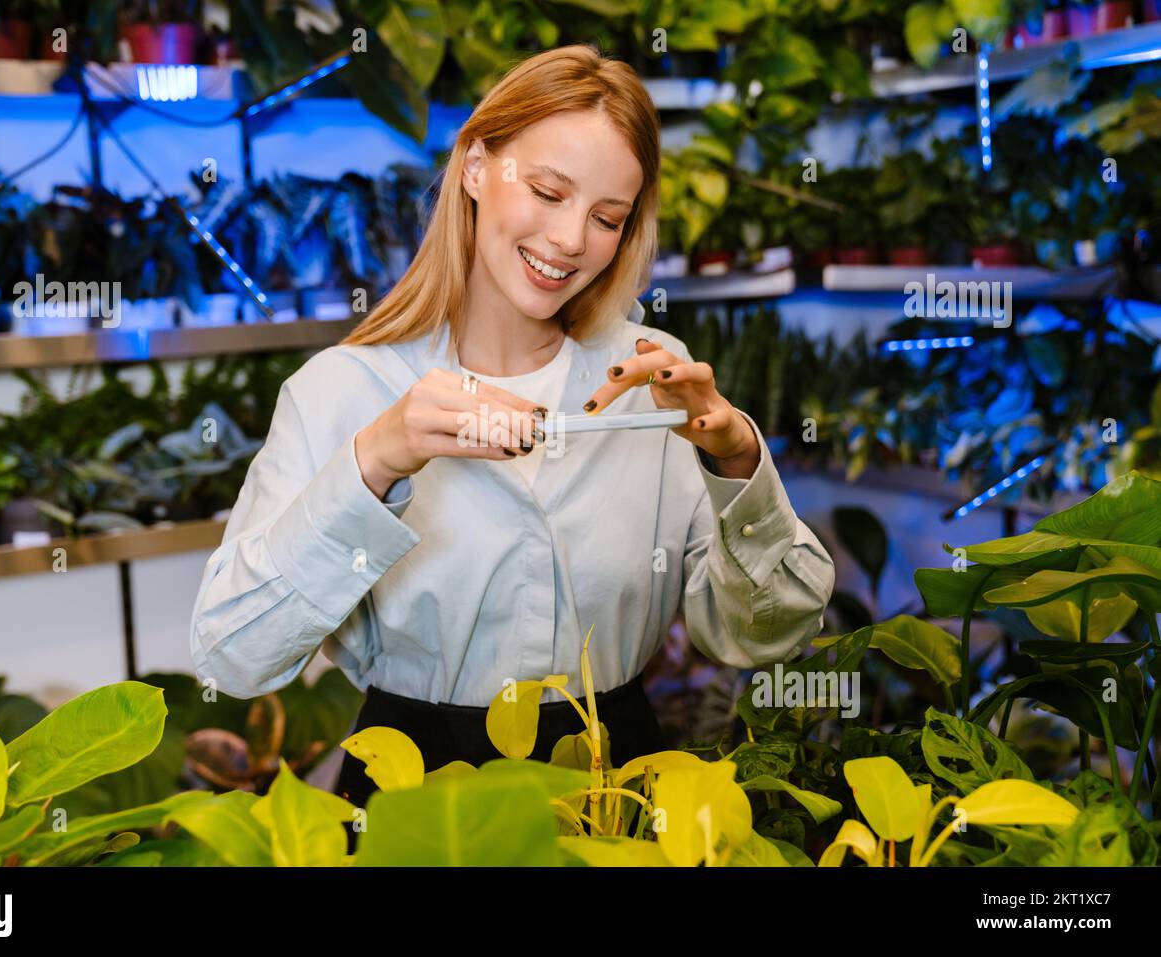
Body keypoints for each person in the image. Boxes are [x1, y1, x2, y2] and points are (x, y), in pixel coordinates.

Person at [189, 44, 835, 812]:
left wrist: (735, 459)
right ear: (474, 166)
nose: (570, 240)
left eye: (606, 218)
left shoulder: (651, 378)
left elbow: (762, 636)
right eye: (548, 190)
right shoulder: (343, 391)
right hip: (416, 797)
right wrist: (377, 459)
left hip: (614, 788)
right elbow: (232, 656)